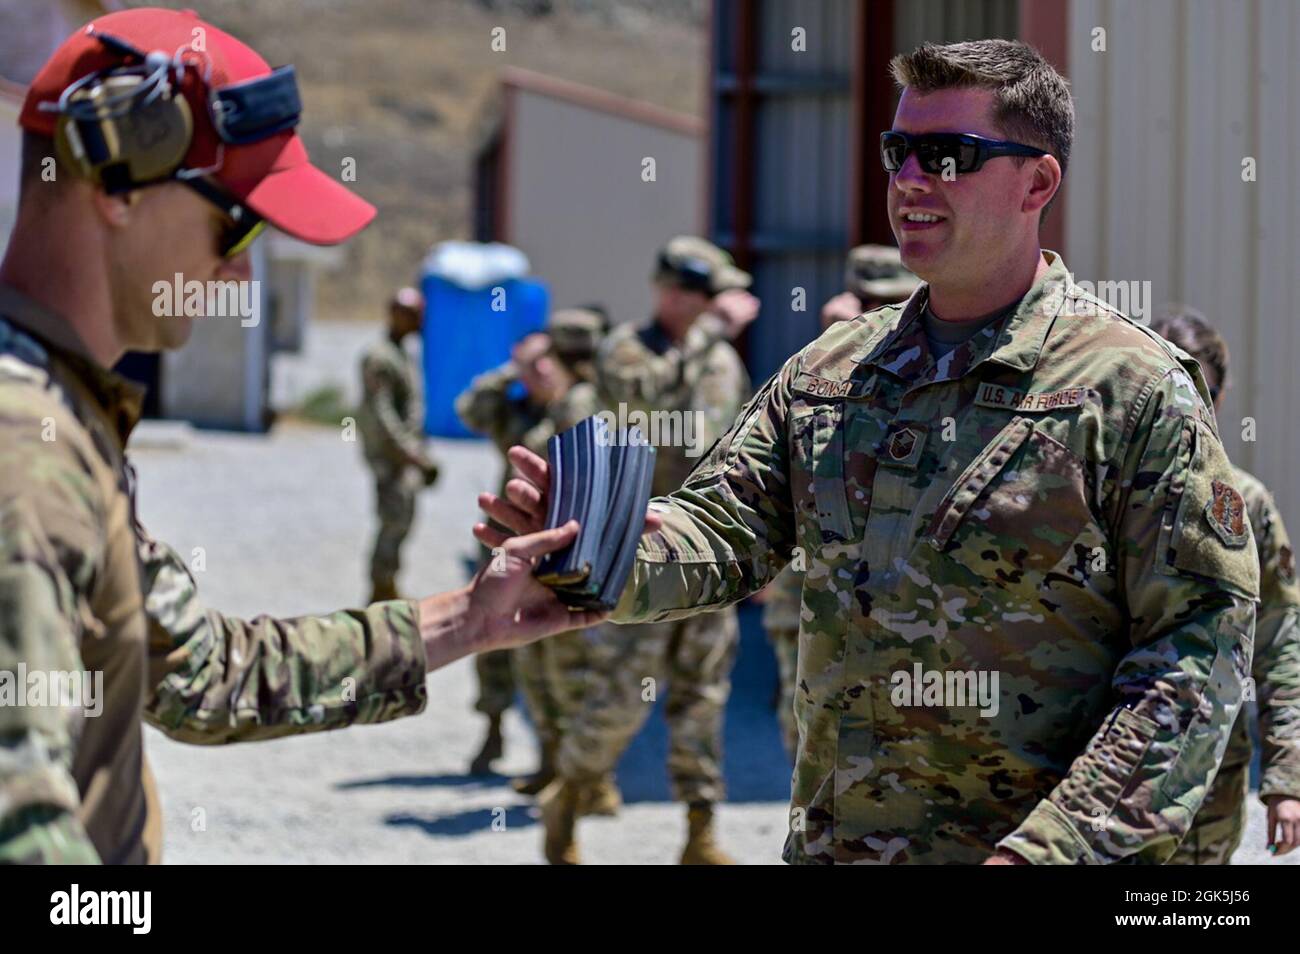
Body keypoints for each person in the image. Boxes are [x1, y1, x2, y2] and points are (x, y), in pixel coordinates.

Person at [480, 40, 1259, 865]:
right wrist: (593, 549)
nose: (911, 180)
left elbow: (1198, 649)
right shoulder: (829, 373)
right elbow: (720, 532)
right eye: (899, 154)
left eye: (948, 155)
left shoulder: (1128, 389)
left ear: (1037, 183)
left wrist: (1057, 848)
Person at [0, 7, 606, 864]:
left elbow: (204, 675)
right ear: (118, 185)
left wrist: (469, 622)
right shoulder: (25, 448)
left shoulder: (62, 418)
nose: (242, 269)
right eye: (236, 224)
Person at [534, 238, 760, 864]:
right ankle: (571, 794)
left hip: (711, 548)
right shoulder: (628, 353)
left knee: (703, 693)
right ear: (676, 292)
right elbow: (656, 416)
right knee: (621, 693)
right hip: (644, 549)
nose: (724, 306)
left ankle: (699, 829)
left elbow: (735, 446)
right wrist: (711, 336)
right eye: (711, 295)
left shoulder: (719, 358)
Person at [1149, 306, 1300, 862]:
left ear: (1221, 397)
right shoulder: (1098, 492)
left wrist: (1285, 776)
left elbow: (1281, 637)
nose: (1184, 406)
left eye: (1199, 390)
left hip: (1210, 777)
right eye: (1166, 385)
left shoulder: (1246, 504)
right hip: (1102, 774)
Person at [762, 245, 920, 759]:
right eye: (875, 303)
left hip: (908, 595)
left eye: (899, 301)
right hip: (817, 589)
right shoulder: (818, 369)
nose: (888, 317)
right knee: (812, 732)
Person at [455, 309, 614, 807]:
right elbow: (468, 409)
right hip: (518, 551)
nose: (539, 372)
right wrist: (513, 369)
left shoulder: (580, 405)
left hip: (561, 554)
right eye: (531, 366)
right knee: (524, 660)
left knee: (569, 666)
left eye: (547, 362)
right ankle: (544, 759)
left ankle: (584, 777)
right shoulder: (519, 410)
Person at [359, 286, 440, 603]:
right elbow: (382, 416)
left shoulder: (403, 353)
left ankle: (388, 586)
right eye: (414, 315)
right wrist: (412, 454)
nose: (420, 321)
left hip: (404, 458)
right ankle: (380, 591)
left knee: (403, 521)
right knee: (391, 523)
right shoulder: (379, 357)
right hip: (390, 459)